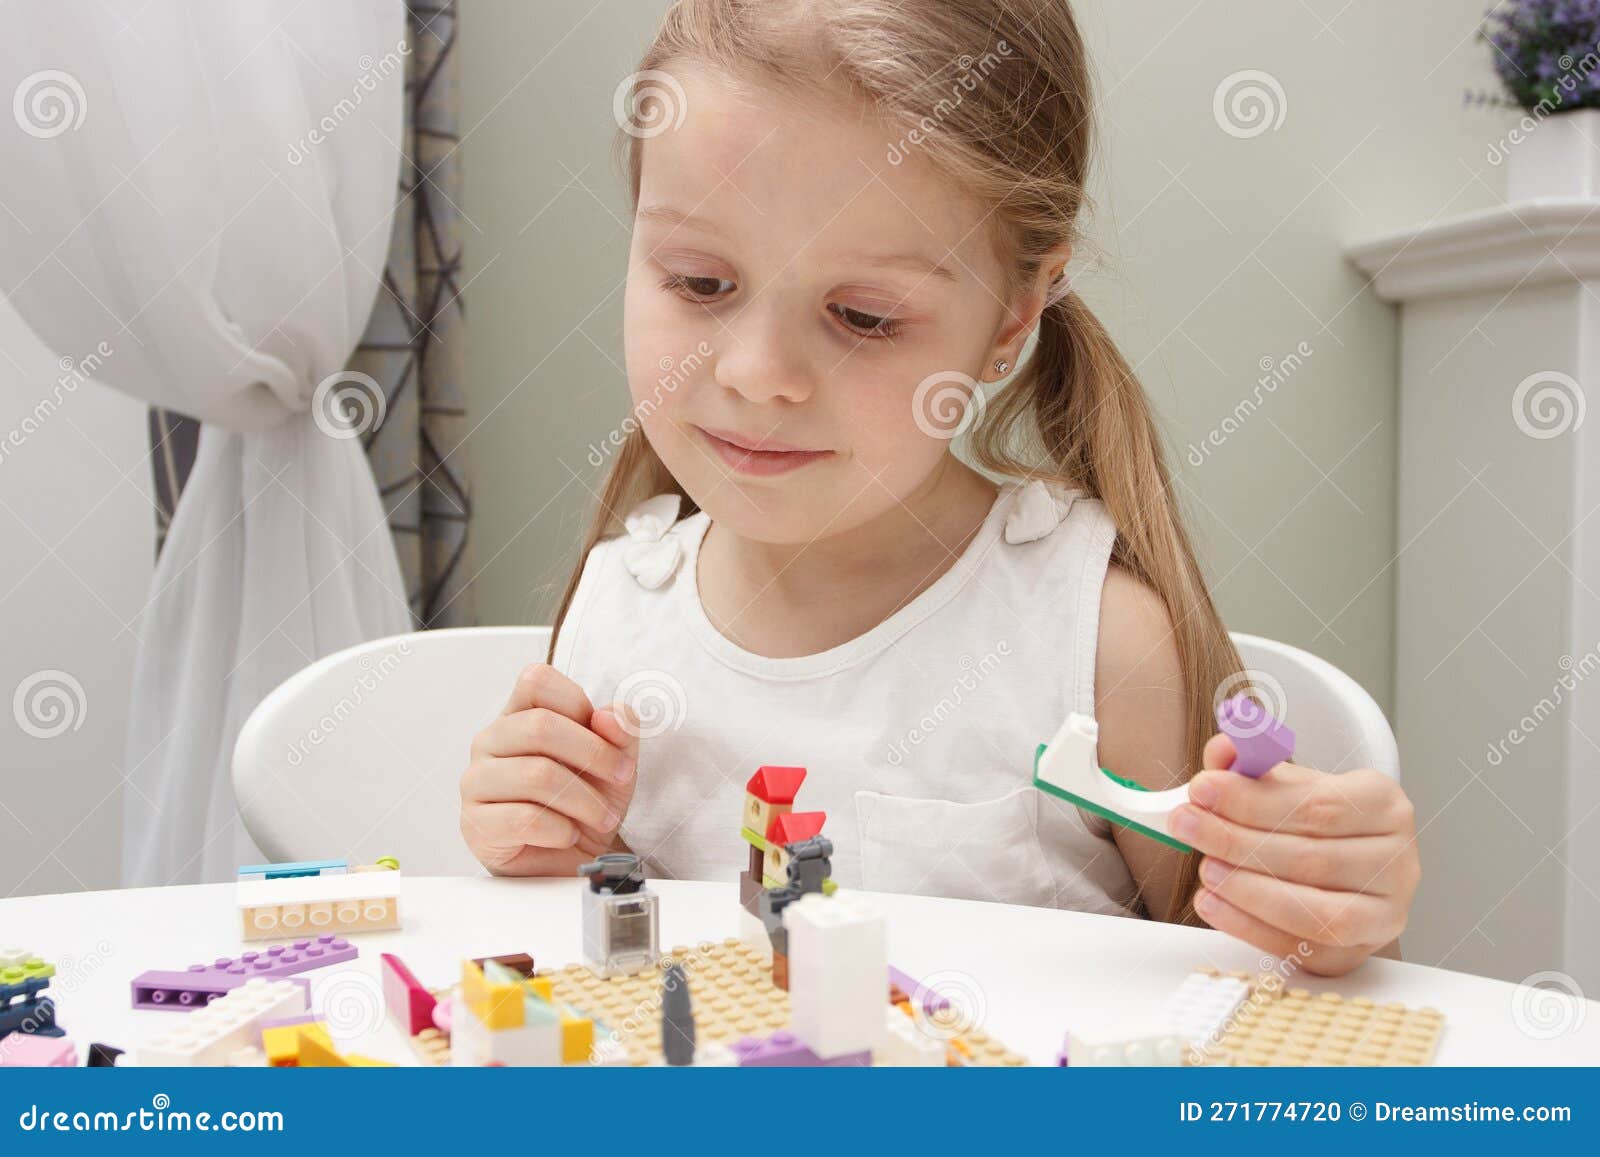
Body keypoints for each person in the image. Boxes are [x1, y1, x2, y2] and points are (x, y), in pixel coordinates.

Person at [461, 0, 1418, 977]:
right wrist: (541, 850)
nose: (757, 372)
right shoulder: (615, 611)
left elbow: (1246, 985)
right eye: (700, 283)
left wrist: (1324, 909)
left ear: (1010, 319)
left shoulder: (1094, 638)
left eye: (863, 316)